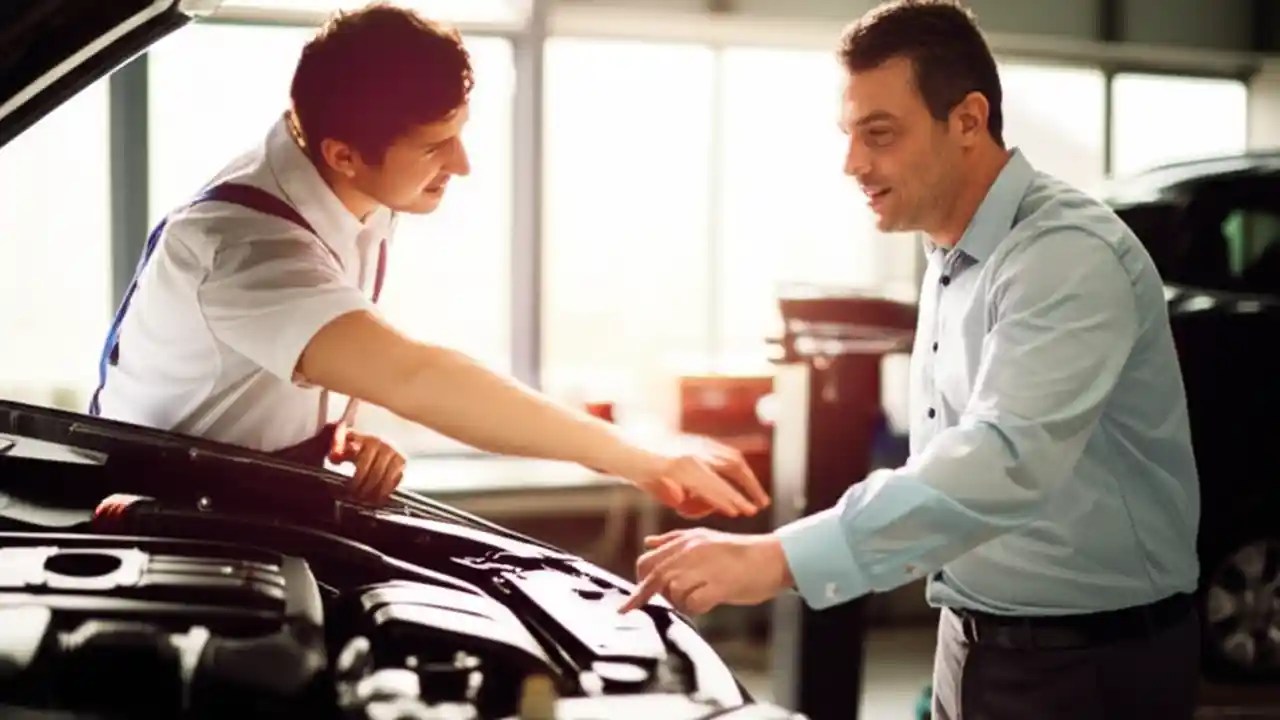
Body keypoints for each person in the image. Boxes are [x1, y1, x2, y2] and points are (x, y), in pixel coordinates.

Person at [621, 2, 1201, 718]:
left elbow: (1003, 458)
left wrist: (776, 558)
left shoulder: (1064, 254)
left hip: (1087, 663)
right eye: (849, 135)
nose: (852, 164)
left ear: (968, 120)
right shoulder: (950, 255)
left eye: (880, 134)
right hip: (973, 637)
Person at [91, 3, 769, 519]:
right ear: (342, 154)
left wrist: (332, 434)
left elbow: (293, 363)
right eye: (435, 146)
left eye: (459, 134)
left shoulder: (350, 185)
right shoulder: (243, 248)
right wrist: (641, 458)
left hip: (253, 497)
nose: (462, 164)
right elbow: (416, 376)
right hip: (159, 521)